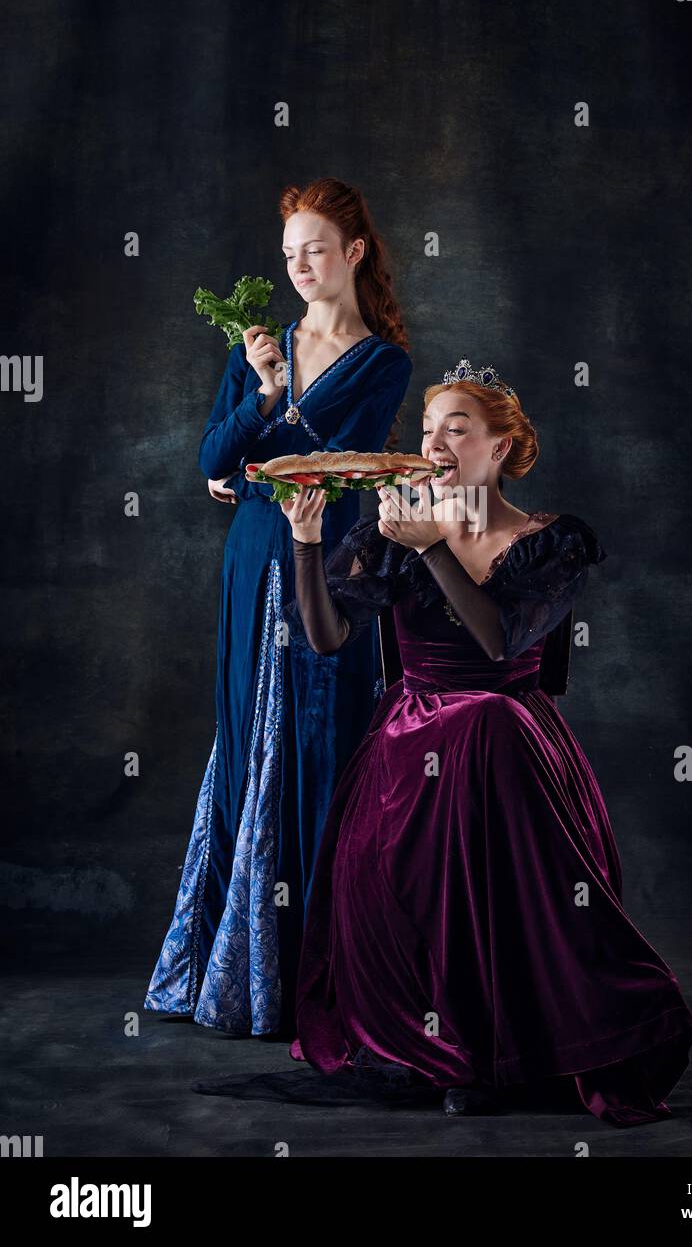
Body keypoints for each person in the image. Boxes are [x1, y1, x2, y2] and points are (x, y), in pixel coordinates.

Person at [280, 358, 692, 1122]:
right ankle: (442, 1048)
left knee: (487, 719)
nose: (435, 442)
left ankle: (512, 1047)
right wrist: (307, 540)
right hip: (411, 743)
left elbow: (503, 646)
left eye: (458, 428)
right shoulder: (395, 528)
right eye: (430, 427)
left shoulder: (550, 540)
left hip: (506, 742)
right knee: (442, 752)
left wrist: (435, 546)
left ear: (499, 448)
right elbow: (328, 637)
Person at [144, 179, 412, 1038]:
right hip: (249, 560)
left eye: (316, 249)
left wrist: (252, 463)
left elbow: (331, 465)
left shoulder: (384, 362)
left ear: (355, 252)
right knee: (245, 735)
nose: (299, 266)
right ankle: (231, 962)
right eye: (288, 253)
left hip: (323, 561)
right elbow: (211, 457)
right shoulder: (260, 347)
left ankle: (309, 971)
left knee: (316, 735)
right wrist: (260, 393)